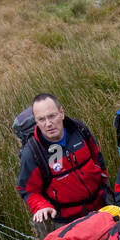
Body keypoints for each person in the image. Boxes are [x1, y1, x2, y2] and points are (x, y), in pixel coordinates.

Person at [16, 93, 110, 226]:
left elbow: (97, 157)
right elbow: (27, 189)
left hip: (102, 206)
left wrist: (104, 185)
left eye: (52, 116)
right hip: (68, 222)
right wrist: (40, 206)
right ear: (36, 122)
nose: (48, 124)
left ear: (61, 113)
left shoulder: (79, 130)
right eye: (41, 119)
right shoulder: (32, 153)